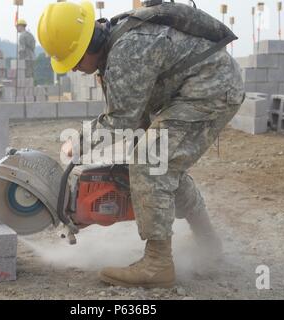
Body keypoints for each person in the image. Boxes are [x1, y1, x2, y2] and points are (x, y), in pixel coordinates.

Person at [38, 1, 245, 288]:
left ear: (87, 44)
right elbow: (129, 120)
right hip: (191, 89)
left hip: (210, 89)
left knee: (150, 162)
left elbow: (119, 122)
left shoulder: (127, 50)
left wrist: (80, 142)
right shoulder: (115, 46)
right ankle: (209, 244)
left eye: (73, 59)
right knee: (161, 164)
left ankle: (158, 264)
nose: (72, 67)